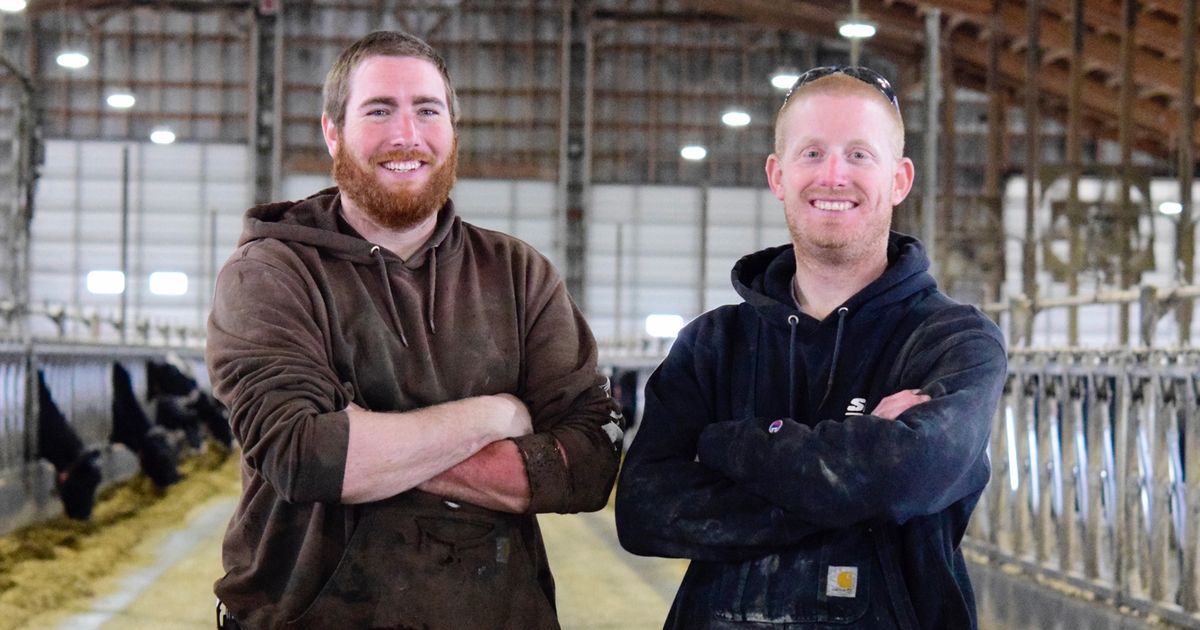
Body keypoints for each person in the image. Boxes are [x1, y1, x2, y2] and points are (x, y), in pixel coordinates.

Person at [206, 30, 624, 630]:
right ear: (333, 132)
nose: (406, 136)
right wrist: (492, 417)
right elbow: (301, 456)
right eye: (378, 111)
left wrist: (369, 448)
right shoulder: (273, 272)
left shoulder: (518, 273)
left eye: (427, 111)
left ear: (453, 131)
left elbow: (590, 463)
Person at [614, 66, 1007, 630]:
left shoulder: (955, 341)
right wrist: (853, 480)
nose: (833, 175)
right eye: (812, 153)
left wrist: (735, 443)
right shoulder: (712, 344)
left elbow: (902, 476)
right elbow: (644, 512)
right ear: (777, 175)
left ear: (899, 179)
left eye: (859, 155)